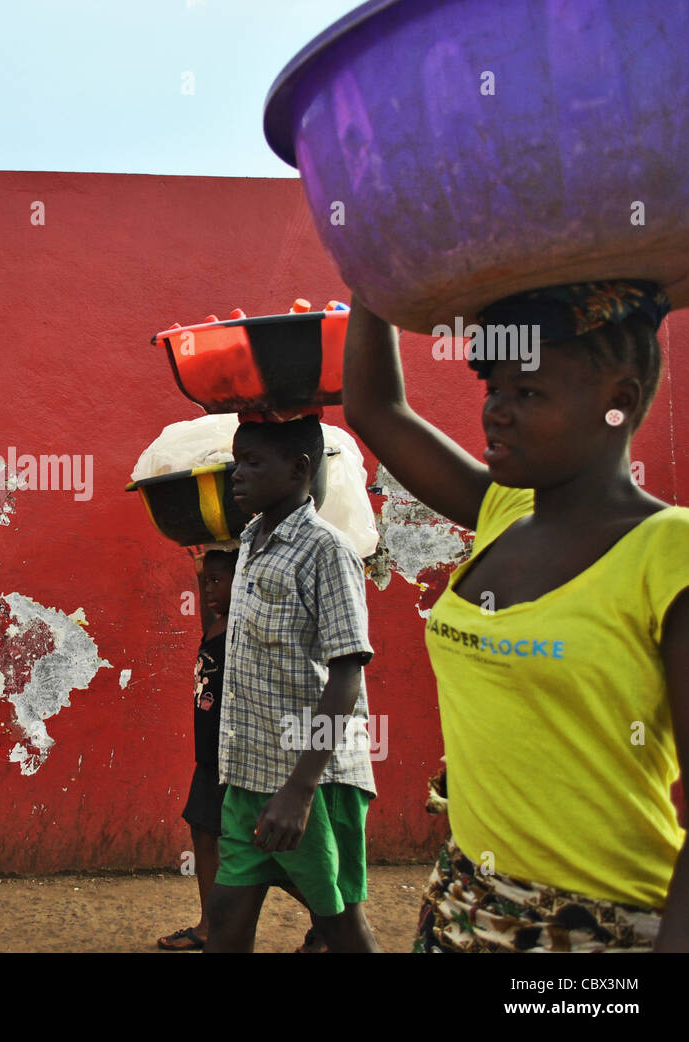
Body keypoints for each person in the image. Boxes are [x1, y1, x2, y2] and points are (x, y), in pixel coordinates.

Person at [341, 281, 689, 952]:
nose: (496, 413)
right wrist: (371, 268)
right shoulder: (505, 511)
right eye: (492, 391)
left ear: (618, 402)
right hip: (463, 900)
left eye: (527, 394)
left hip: (596, 929)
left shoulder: (669, 551)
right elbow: (376, 408)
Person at [205, 416, 380, 953]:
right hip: (248, 779)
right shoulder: (250, 545)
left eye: (253, 462)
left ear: (300, 469)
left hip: (312, 784)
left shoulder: (327, 551)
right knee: (225, 927)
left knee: (340, 928)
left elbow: (347, 672)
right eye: (237, 460)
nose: (237, 474)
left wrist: (300, 790)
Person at [157, 547, 238, 950]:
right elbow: (209, 620)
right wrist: (199, 572)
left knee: (271, 855)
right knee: (203, 831)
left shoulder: (244, 628)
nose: (209, 589)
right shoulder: (219, 626)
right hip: (209, 756)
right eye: (207, 582)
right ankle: (210, 926)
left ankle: (332, 924)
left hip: (235, 754)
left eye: (218, 581)